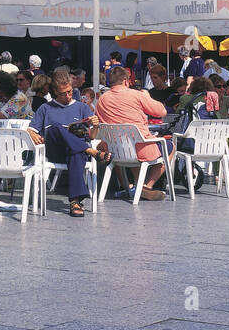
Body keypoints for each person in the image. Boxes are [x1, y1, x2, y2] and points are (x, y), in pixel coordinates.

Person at [28, 68, 103, 217]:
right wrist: (30, 133)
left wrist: (96, 126)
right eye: (63, 93)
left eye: (69, 91)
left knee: (75, 152)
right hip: (55, 151)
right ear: (55, 91)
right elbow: (31, 129)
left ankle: (75, 202)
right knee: (56, 127)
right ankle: (90, 151)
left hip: (75, 153)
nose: (68, 96)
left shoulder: (82, 107)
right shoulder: (45, 108)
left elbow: (92, 137)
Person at [94, 66, 172, 201]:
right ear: (125, 81)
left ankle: (134, 186)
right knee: (170, 147)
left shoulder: (102, 100)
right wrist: (147, 96)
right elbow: (162, 112)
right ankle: (147, 186)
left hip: (115, 150)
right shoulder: (136, 95)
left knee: (125, 142)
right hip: (140, 149)